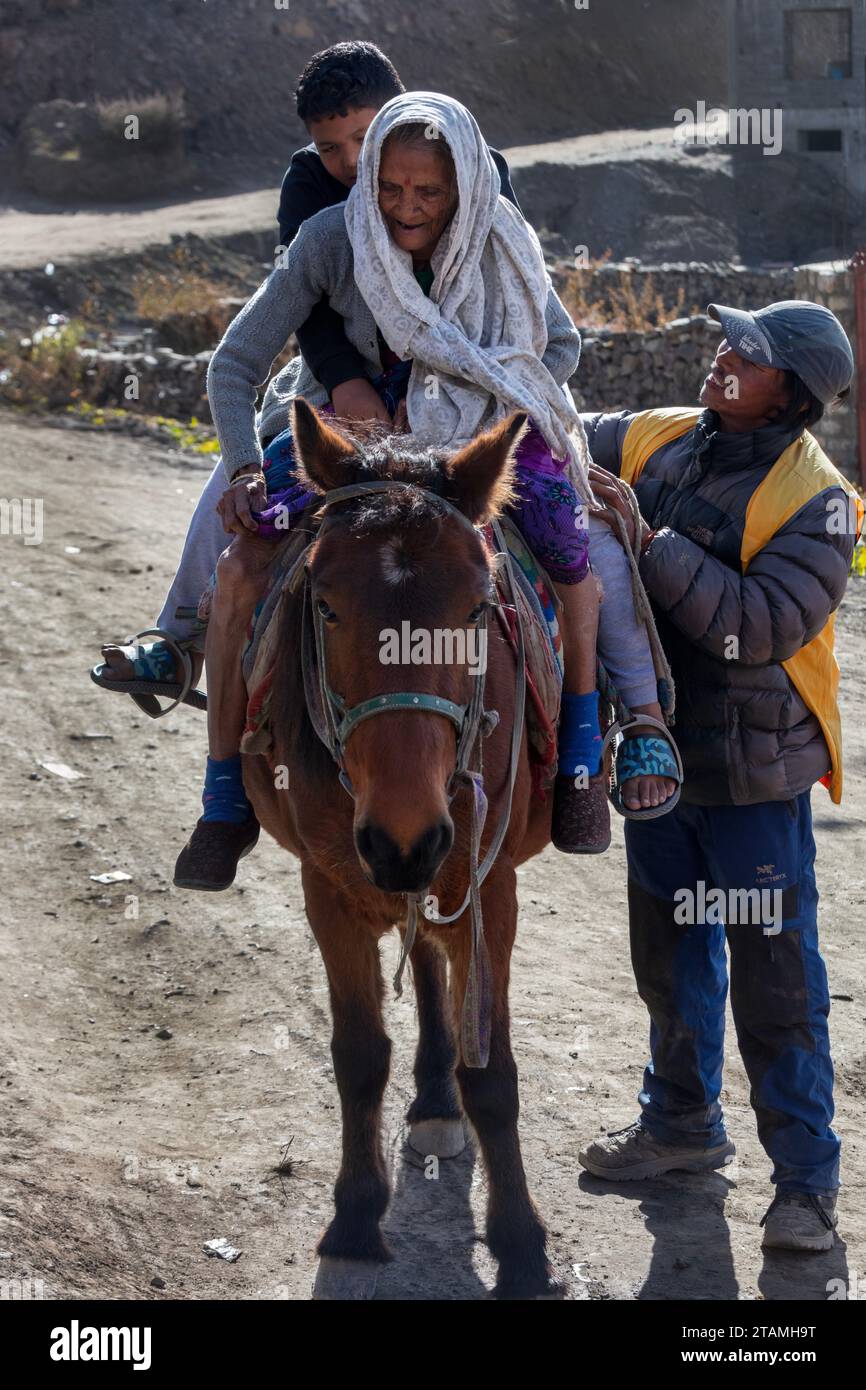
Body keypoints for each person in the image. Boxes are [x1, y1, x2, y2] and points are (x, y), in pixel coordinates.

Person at [171, 92, 681, 888]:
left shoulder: (502, 238)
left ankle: (588, 754)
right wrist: (244, 465)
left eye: (430, 192)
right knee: (240, 570)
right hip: (356, 449)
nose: (408, 207)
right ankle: (224, 794)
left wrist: (465, 393)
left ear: (465, 188)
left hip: (476, 438)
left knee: (578, 556)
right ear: (368, 177)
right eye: (391, 188)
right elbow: (233, 363)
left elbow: (562, 346)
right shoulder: (331, 240)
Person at [93, 41, 519, 701]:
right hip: (333, 385)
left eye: (363, 138)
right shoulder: (315, 201)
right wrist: (345, 382)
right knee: (242, 497)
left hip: (471, 395)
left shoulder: (476, 169)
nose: (351, 163)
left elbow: (518, 306)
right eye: (332, 148)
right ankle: (178, 639)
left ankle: (612, 708)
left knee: (574, 522)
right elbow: (307, 312)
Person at [577, 299, 862, 1252]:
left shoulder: (819, 499)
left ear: (791, 393)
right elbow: (560, 427)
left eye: (750, 354)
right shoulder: (663, 435)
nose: (723, 357)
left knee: (774, 981)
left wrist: (647, 544)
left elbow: (758, 624)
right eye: (727, 341)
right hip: (662, 764)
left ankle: (806, 1186)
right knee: (669, 959)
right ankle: (680, 1129)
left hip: (751, 781)